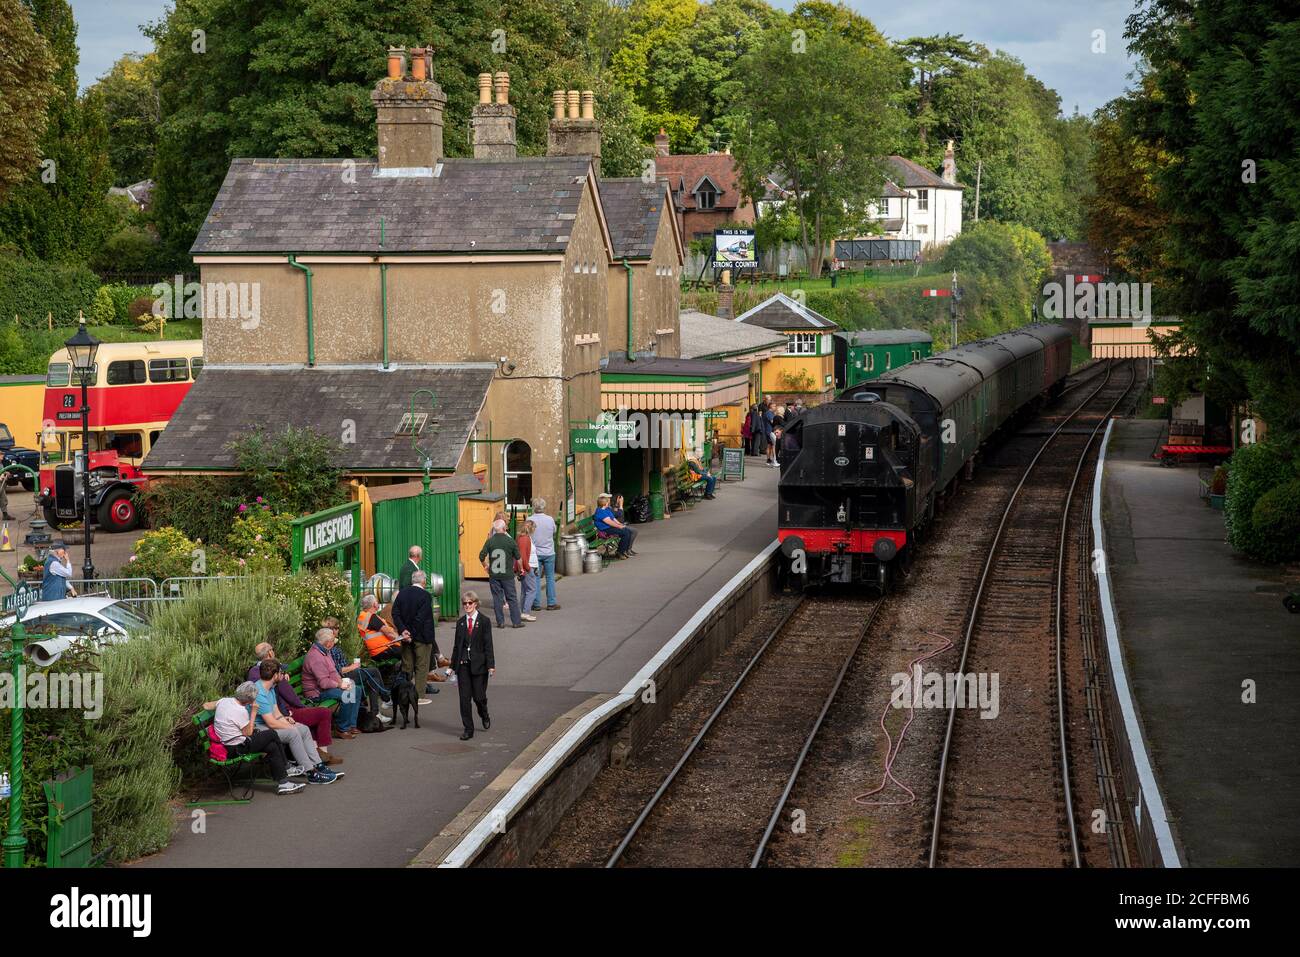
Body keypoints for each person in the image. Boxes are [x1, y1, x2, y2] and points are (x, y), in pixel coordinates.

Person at [248, 643, 344, 762]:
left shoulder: (256, 671)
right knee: (323, 713)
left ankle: (318, 754)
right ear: (270, 653)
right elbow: (291, 698)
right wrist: (301, 707)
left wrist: (284, 673)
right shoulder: (271, 674)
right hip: (285, 712)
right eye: (272, 650)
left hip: (279, 712)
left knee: (314, 717)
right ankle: (321, 754)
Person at [203, 683, 304, 796]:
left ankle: (283, 783)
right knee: (272, 734)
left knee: (272, 747)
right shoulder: (240, 711)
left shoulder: (224, 701)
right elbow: (248, 733)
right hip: (236, 748)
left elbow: (206, 705)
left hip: (226, 744)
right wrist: (254, 712)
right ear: (250, 700)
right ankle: (287, 767)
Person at [252, 660, 339, 784]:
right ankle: (310, 773)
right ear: (275, 675)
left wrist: (287, 721)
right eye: (281, 672)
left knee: (303, 728)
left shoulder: (270, 688)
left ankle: (318, 765)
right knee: (293, 733)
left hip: (268, 723)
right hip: (258, 729)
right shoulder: (259, 692)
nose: (283, 674)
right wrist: (289, 728)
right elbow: (271, 723)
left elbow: (276, 713)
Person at [392, 571, 442, 703]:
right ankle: (419, 696)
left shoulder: (402, 593)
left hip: (405, 637)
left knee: (407, 667)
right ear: (424, 581)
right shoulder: (425, 595)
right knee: (422, 666)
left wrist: (403, 631)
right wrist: (411, 633)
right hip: (422, 637)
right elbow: (421, 618)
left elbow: (395, 613)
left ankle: (404, 694)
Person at [301, 628, 361, 738]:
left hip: (326, 688)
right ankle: (341, 728)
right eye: (333, 640)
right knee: (347, 694)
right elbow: (324, 683)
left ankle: (351, 725)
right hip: (316, 693)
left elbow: (333, 671)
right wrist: (339, 685)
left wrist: (341, 681)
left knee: (356, 689)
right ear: (328, 643)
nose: (334, 642)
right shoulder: (315, 657)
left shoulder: (325, 651)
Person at [451, 591, 495, 741]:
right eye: (464, 603)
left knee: (479, 697)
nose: (467, 606)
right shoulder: (461, 623)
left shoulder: (484, 621)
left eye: (470, 603)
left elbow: (488, 644)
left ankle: (484, 713)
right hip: (463, 665)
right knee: (464, 699)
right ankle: (468, 729)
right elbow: (457, 646)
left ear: (475, 603)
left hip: (480, 666)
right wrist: (452, 666)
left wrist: (491, 665)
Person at [479, 519, 523, 629]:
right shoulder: (510, 541)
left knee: (497, 599)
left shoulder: (490, 541)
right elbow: (519, 558)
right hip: (508, 575)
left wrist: (485, 566)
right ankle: (516, 622)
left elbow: (481, 556)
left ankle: (500, 622)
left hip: (494, 576)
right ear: (504, 528)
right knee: (512, 598)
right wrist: (520, 570)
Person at [529, 498, 560, 611]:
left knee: (536, 578)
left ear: (534, 507)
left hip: (535, 553)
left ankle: (536, 603)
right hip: (549, 552)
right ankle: (551, 602)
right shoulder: (550, 519)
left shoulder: (530, 519)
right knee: (550, 577)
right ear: (544, 507)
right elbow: (554, 532)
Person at [594, 493, 636, 559]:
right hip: (605, 530)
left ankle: (623, 551)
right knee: (625, 533)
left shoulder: (606, 509)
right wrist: (619, 526)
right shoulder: (600, 512)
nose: (609, 502)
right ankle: (620, 552)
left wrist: (620, 524)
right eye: (607, 501)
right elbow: (610, 522)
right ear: (605, 503)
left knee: (627, 531)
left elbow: (613, 518)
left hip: (609, 528)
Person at [516, 519, 539, 623]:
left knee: (525, 591)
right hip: (527, 568)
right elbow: (522, 556)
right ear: (531, 529)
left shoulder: (525, 537)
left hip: (528, 567)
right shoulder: (524, 539)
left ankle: (523, 612)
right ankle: (525, 612)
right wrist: (528, 569)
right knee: (532, 590)